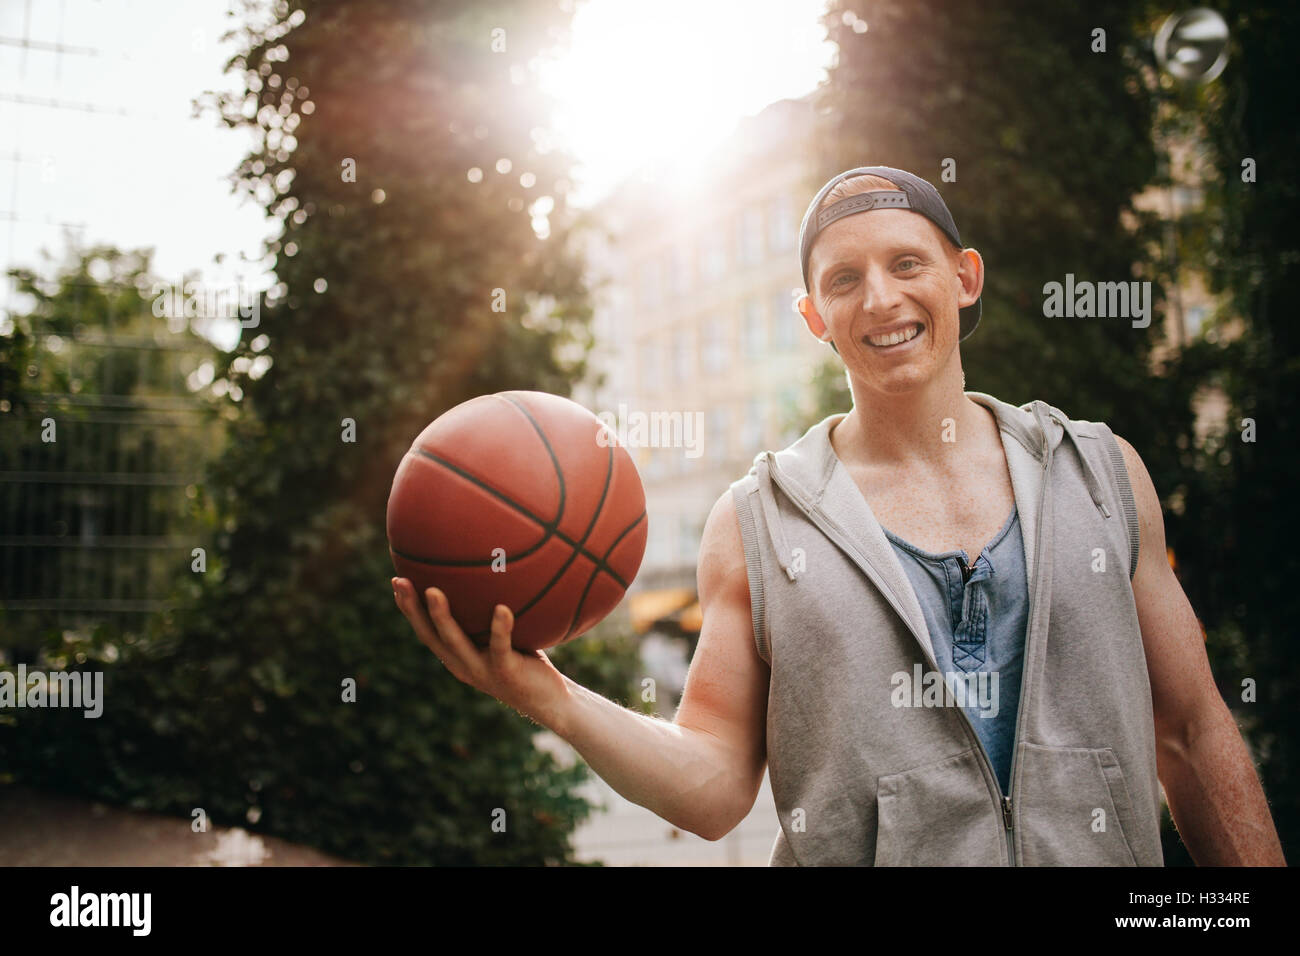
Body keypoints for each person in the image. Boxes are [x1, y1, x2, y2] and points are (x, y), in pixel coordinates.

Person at [392, 165, 1285, 866]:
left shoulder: (1099, 472)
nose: (881, 299)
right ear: (814, 315)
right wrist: (550, 697)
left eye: (907, 264)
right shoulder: (757, 523)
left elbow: (1195, 732)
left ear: (964, 278)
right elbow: (712, 787)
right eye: (845, 279)